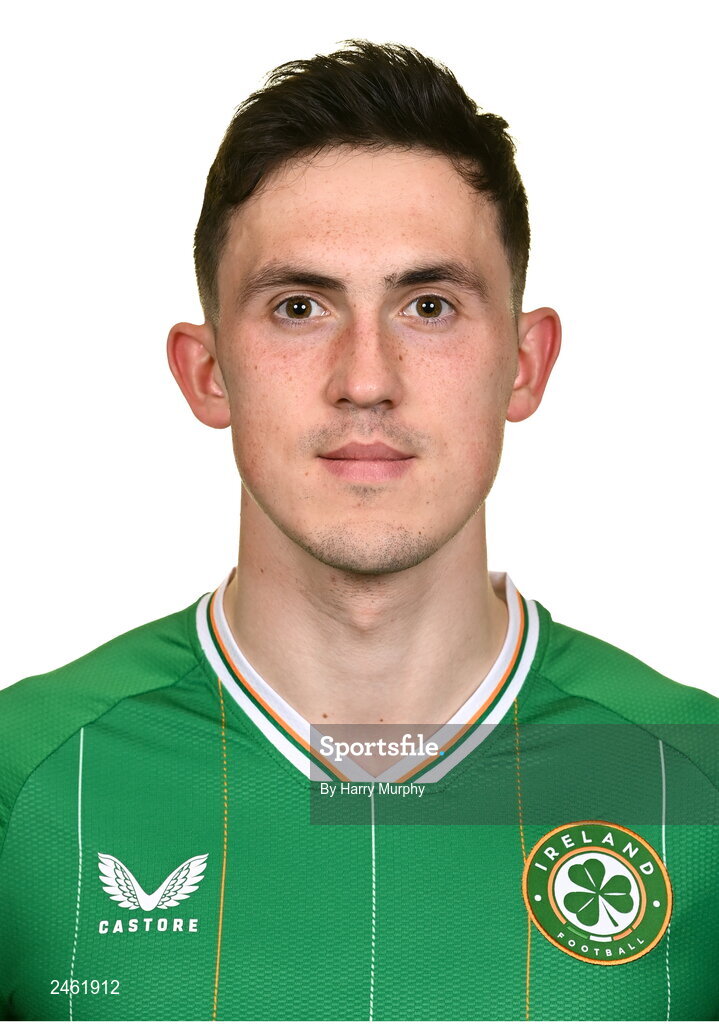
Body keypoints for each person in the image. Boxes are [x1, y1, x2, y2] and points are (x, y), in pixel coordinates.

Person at [1, 40, 717, 1023]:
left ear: (522, 361)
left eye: (428, 306)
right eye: (299, 307)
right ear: (208, 371)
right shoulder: (28, 772)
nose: (365, 378)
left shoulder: (693, 773)